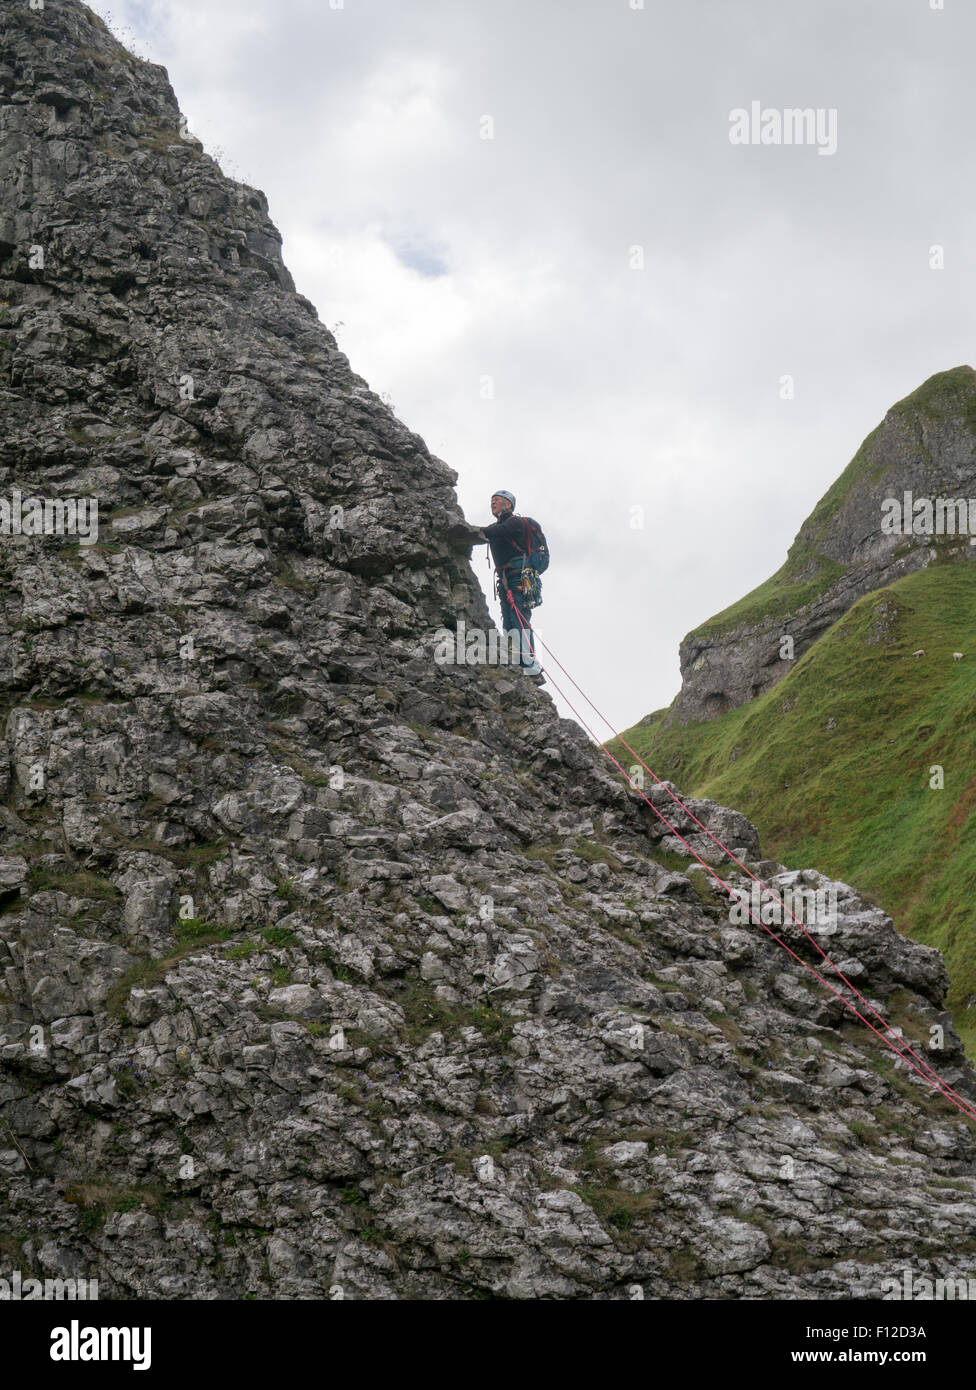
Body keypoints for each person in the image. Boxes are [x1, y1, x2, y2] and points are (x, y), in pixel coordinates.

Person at [480, 490, 545, 678]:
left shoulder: (514, 522)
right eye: (491, 500)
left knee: (519, 618)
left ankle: (529, 662)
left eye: (497, 500)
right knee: (508, 620)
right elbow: (493, 531)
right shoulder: (497, 526)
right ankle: (515, 658)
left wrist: (476, 530)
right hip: (507, 579)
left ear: (508, 505)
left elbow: (498, 531)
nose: (492, 502)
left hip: (518, 577)